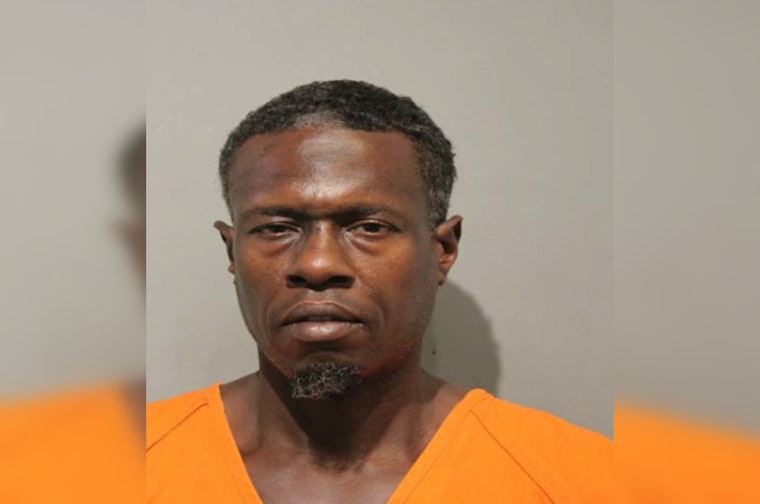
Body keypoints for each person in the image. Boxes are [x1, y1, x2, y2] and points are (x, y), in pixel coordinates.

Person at [147, 80, 612, 503]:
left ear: (443, 250)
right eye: (276, 228)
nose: (317, 264)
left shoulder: (583, 481)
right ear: (232, 250)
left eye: (369, 226)